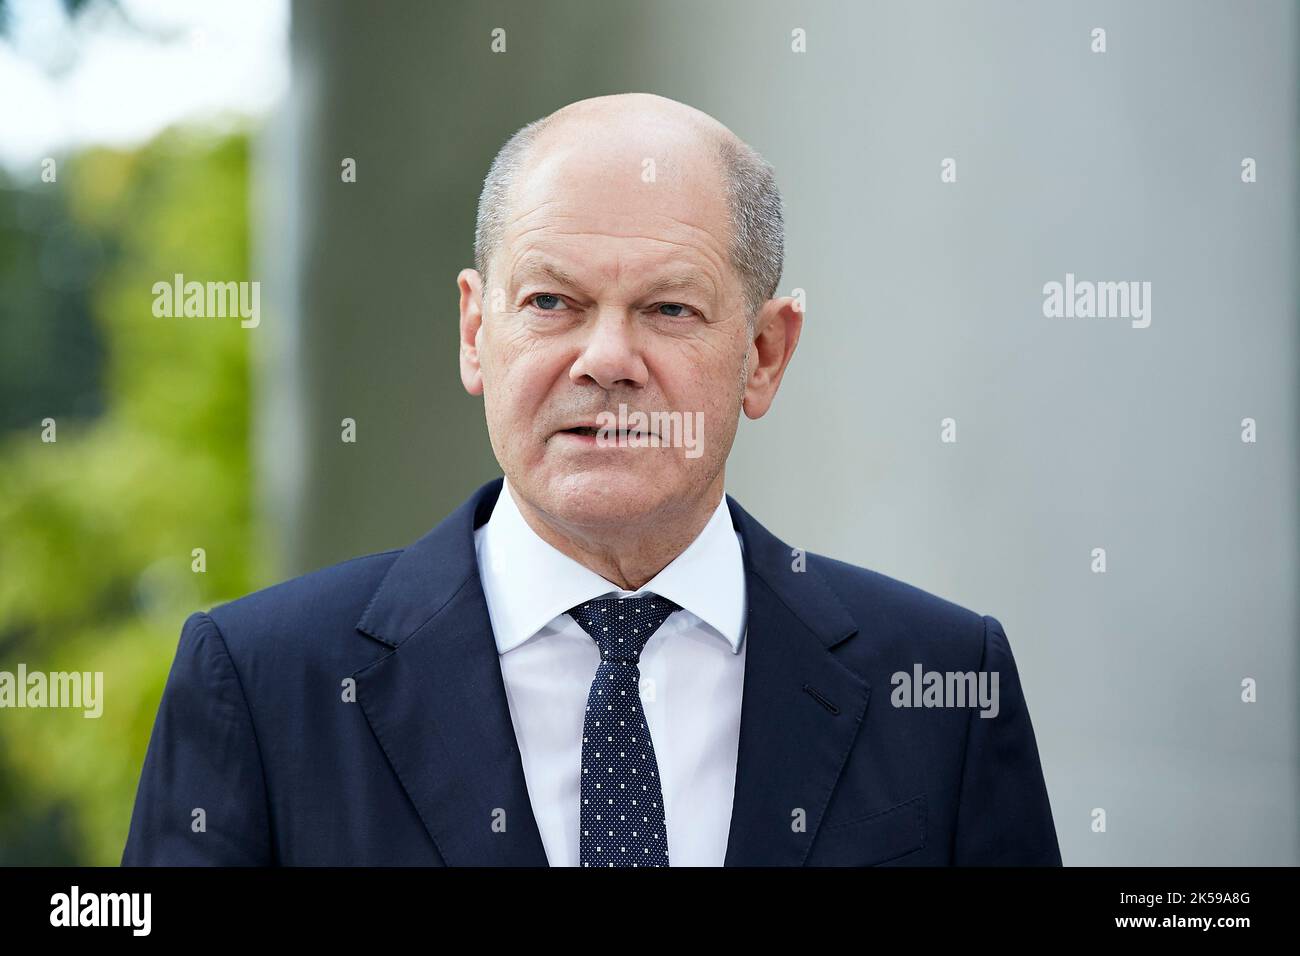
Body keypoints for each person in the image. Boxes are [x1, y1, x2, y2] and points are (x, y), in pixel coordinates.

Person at [122, 92, 1061, 866]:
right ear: (474, 330)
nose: (606, 359)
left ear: (766, 353)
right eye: (550, 302)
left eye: (668, 307)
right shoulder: (261, 683)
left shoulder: (942, 682)